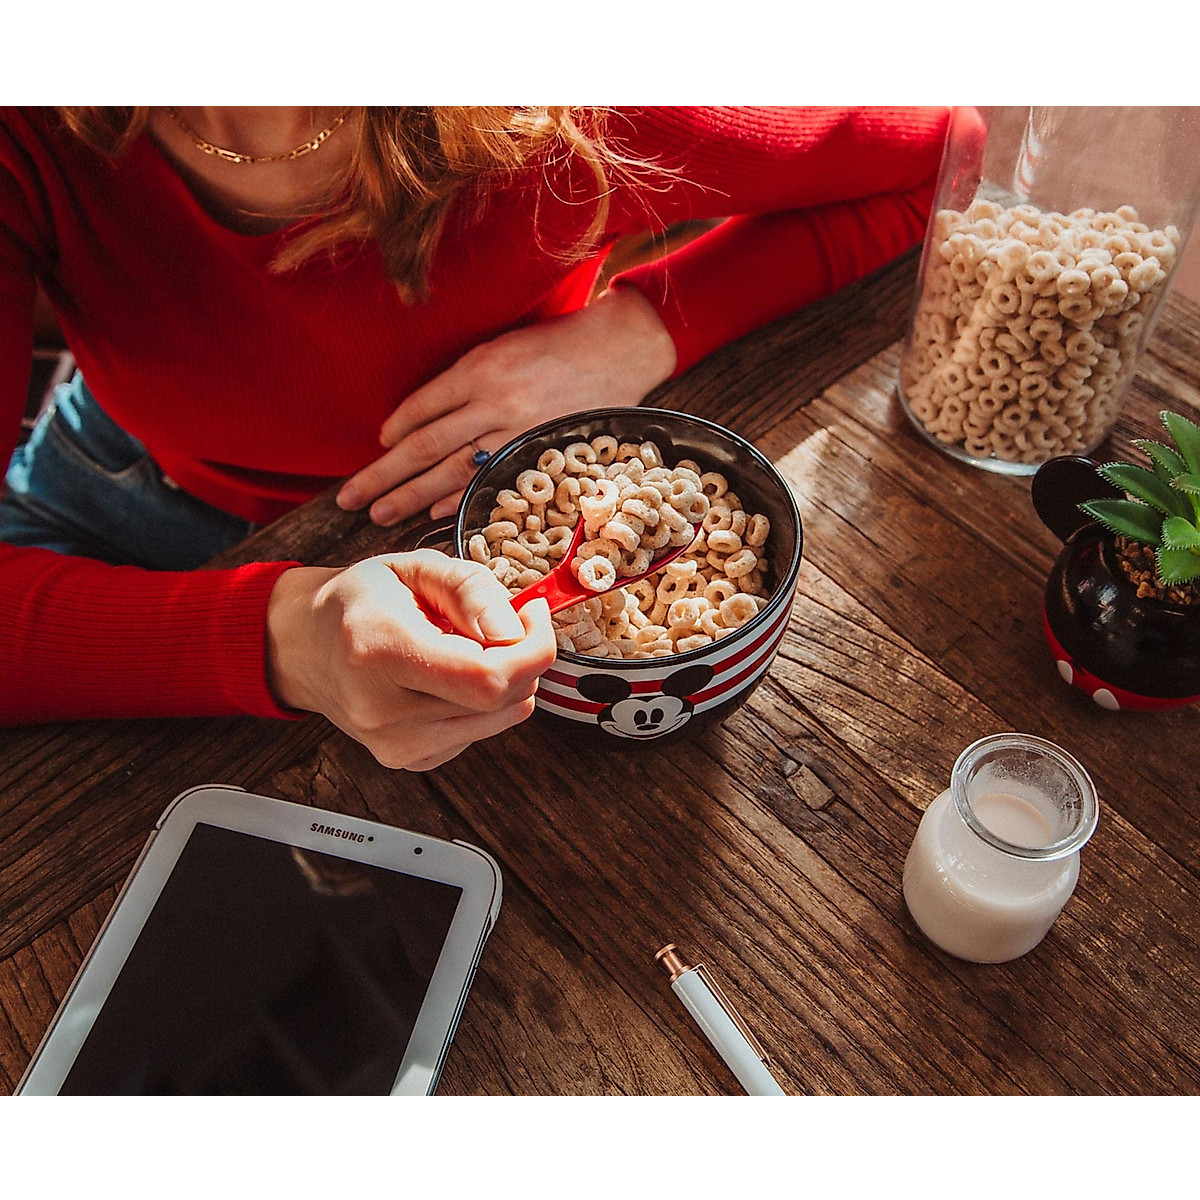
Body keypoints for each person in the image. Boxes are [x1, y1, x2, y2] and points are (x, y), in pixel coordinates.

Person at [0, 105, 950, 768]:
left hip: (455, 545)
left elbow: (945, 153)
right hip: (110, 494)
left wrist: (644, 327)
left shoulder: (564, 108)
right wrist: (287, 638)